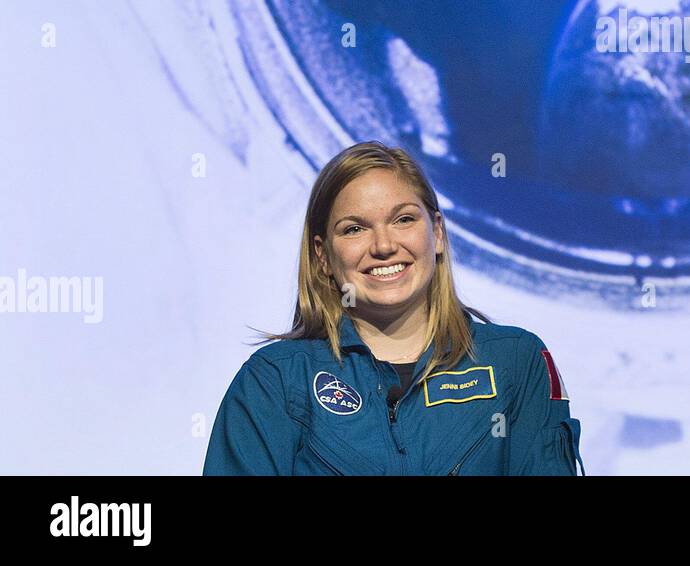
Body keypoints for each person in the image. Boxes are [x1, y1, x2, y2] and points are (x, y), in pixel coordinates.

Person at [203, 141, 582, 475]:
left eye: (403, 219)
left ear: (436, 233)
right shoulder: (276, 380)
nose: (383, 245)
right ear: (322, 256)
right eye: (354, 229)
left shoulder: (515, 361)